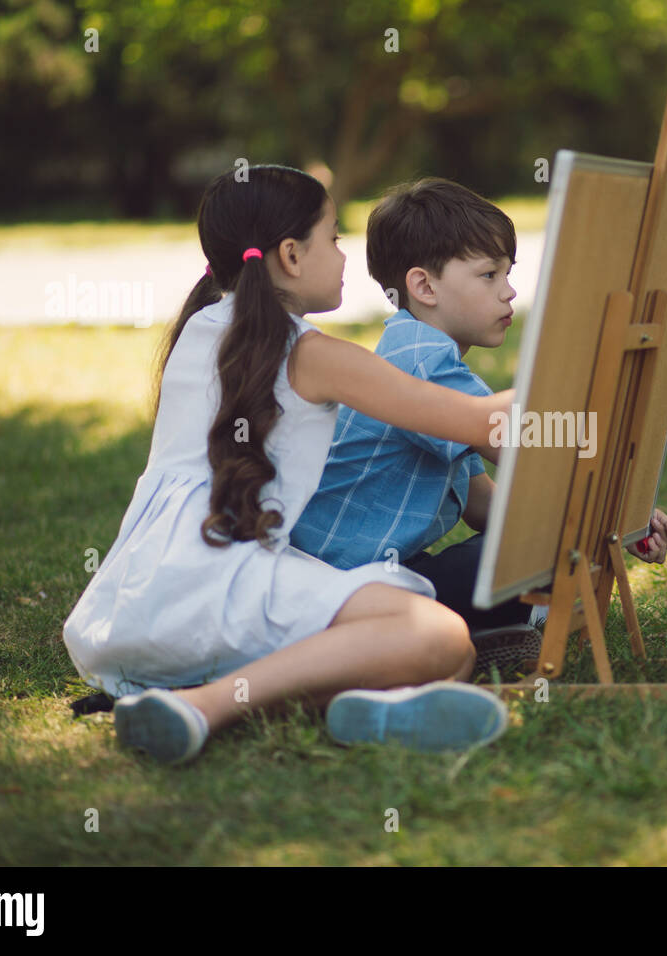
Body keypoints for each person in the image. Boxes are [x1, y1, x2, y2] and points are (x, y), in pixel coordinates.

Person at [61, 165, 517, 765]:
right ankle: (204, 706)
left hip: (133, 601)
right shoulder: (314, 354)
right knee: (437, 636)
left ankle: (351, 706)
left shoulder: (201, 329)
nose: (345, 255)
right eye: (333, 237)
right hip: (219, 587)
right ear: (292, 256)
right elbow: (483, 424)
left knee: (449, 652)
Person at [288, 178, 667, 680]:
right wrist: (618, 512)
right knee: (511, 559)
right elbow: (534, 454)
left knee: (524, 544)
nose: (510, 291)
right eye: (489, 275)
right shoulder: (419, 359)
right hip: (344, 590)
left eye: (508, 273)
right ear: (424, 287)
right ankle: (493, 629)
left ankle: (497, 629)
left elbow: (481, 504)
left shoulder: (430, 360)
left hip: (379, 579)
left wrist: (603, 526)